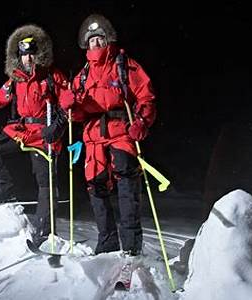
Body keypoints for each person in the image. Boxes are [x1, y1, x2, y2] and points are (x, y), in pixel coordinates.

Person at [0, 24, 73, 245]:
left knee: (45, 181)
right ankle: (3, 188)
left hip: (44, 133)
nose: (28, 58)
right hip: (21, 129)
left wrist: (57, 125)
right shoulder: (16, 79)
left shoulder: (51, 76)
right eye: (24, 54)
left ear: (39, 53)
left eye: (31, 53)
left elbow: (69, 102)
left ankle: (44, 232)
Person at [71, 14, 156, 256]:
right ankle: (107, 242)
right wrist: (70, 106)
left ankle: (131, 246)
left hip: (121, 131)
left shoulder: (125, 65)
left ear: (108, 39)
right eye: (91, 42)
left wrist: (141, 121)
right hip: (93, 135)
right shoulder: (83, 75)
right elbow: (75, 114)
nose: (95, 45)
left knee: (127, 184)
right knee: (96, 186)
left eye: (99, 39)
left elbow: (146, 96)